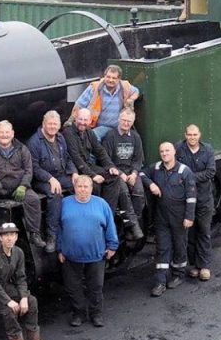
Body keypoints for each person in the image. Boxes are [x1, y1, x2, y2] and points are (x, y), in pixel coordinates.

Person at [63, 108, 143, 241]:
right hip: (77, 169)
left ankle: (107, 215)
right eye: (80, 119)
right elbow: (76, 158)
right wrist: (93, 175)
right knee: (96, 185)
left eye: (85, 120)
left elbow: (99, 151)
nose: (83, 122)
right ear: (75, 118)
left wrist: (110, 166)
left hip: (89, 166)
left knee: (113, 177)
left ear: (90, 121)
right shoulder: (68, 133)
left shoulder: (89, 132)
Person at [57, 175, 118, 327]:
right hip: (70, 255)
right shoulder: (64, 203)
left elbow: (110, 225)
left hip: (96, 254)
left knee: (96, 286)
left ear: (92, 188)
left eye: (86, 187)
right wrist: (60, 249)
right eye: (79, 186)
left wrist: (112, 245)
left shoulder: (101, 204)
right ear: (74, 188)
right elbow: (58, 228)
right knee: (73, 287)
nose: (83, 190)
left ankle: (96, 314)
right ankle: (78, 314)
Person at [140, 142, 197, 298]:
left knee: (179, 245)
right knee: (162, 248)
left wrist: (189, 217)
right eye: (162, 151)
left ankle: (178, 274)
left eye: (167, 151)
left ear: (174, 153)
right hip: (162, 217)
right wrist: (151, 184)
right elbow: (141, 174)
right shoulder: (156, 167)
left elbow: (191, 197)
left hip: (179, 217)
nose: (164, 154)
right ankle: (160, 281)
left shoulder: (185, 171)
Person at [0, 120, 42, 242]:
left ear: (12, 134)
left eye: (7, 132)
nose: (4, 135)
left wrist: (23, 186)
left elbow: (29, 170)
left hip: (18, 187)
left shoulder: (23, 149)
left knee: (33, 199)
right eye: (1, 132)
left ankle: (34, 233)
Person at [27, 110, 79, 253]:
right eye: (49, 124)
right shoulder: (34, 142)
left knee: (82, 185)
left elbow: (67, 158)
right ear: (43, 124)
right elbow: (34, 167)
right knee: (55, 193)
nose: (52, 127)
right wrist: (50, 179)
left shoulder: (60, 138)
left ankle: (78, 223)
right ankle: (52, 235)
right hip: (41, 180)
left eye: (55, 124)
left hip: (60, 175)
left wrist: (74, 172)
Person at [176, 124, 216, 281]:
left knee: (204, 231)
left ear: (200, 135)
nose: (192, 137)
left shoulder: (208, 150)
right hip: (187, 199)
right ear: (185, 135)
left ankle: (204, 265)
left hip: (204, 198)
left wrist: (189, 177)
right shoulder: (179, 148)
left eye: (195, 135)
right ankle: (194, 265)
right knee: (190, 232)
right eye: (189, 135)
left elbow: (211, 171)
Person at [69, 65, 139, 140]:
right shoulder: (95, 87)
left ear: (119, 79)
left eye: (114, 78)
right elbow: (79, 104)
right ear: (104, 76)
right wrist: (71, 120)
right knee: (93, 137)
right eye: (108, 77)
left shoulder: (124, 86)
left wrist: (131, 99)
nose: (110, 80)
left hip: (119, 127)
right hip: (100, 126)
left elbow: (136, 91)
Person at [102, 108, 146, 221]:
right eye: (124, 120)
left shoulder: (136, 137)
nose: (126, 123)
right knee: (124, 193)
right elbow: (107, 160)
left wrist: (134, 174)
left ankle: (134, 223)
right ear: (118, 119)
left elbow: (138, 159)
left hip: (131, 172)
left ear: (133, 122)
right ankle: (127, 223)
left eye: (129, 121)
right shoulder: (110, 136)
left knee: (139, 193)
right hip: (116, 172)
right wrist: (121, 174)